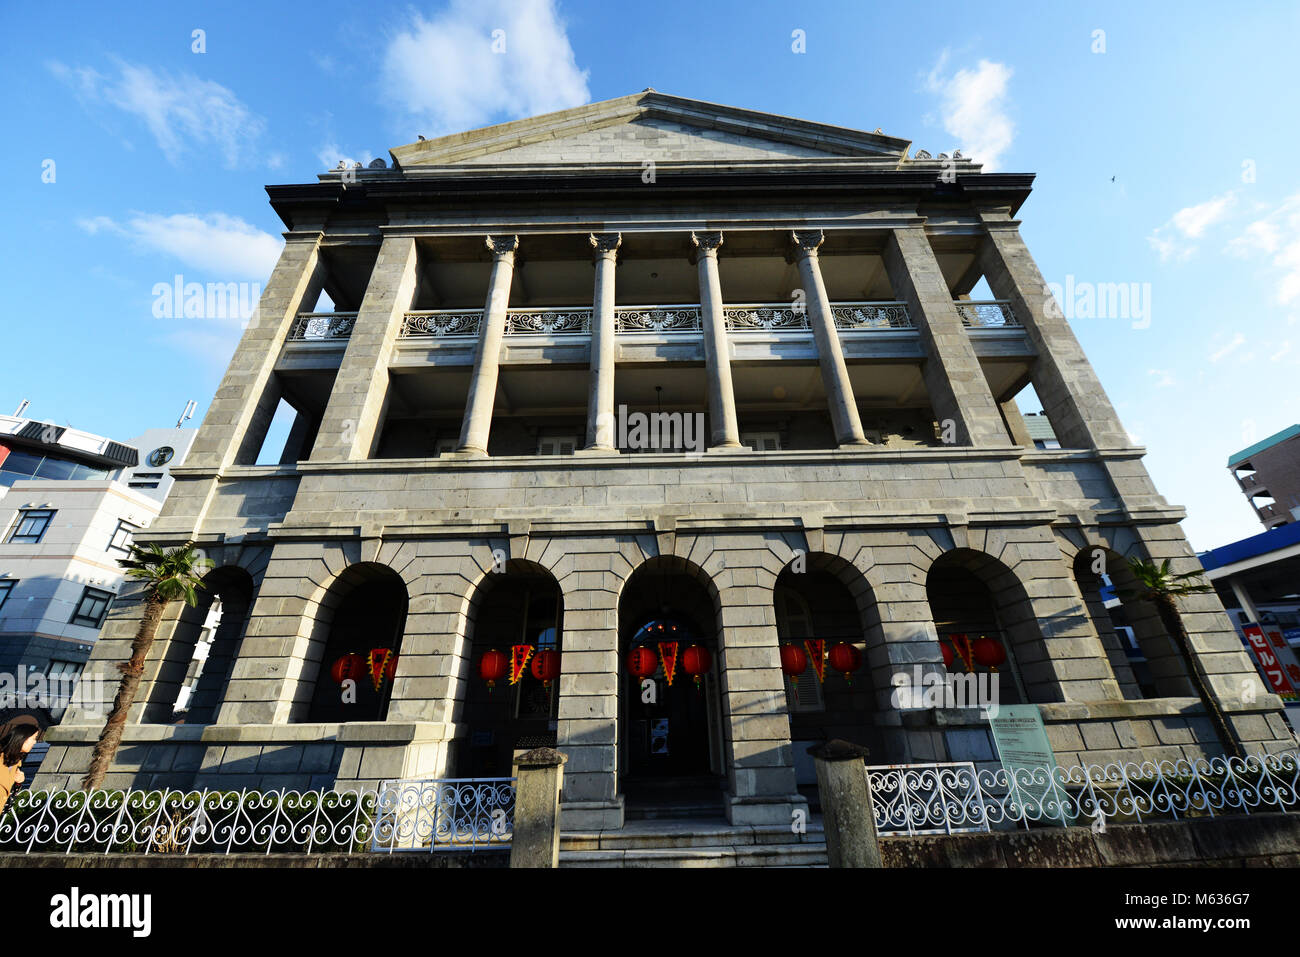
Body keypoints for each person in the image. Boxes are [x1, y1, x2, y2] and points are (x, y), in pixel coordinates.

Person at [0, 715, 41, 815]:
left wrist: (18, 783)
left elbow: (8, 794)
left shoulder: (16, 764)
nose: (35, 742)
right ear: (23, 738)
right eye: (33, 738)